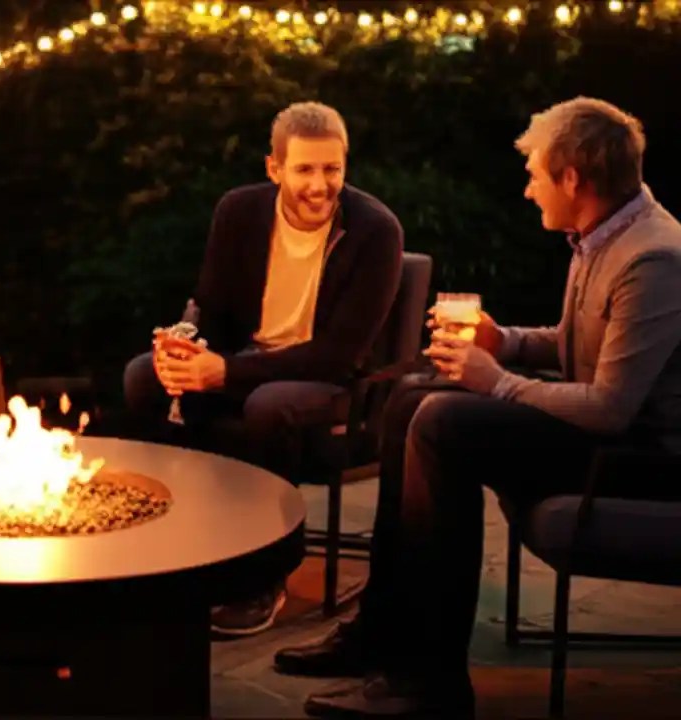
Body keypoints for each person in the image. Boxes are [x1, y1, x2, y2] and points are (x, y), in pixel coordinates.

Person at [279, 97, 681, 717]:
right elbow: (580, 343)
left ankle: (430, 683)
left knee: (445, 423)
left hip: (642, 458)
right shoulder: (604, 233)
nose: (527, 190)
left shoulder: (652, 257)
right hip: (607, 435)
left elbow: (610, 407)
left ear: (573, 179)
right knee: (410, 398)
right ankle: (380, 632)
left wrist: (497, 382)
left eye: (535, 175)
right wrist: (505, 341)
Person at [122, 102, 404, 636]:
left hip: (329, 384)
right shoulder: (239, 212)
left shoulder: (376, 231)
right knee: (144, 377)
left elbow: (341, 354)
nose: (320, 185)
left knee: (268, 405)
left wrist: (224, 374)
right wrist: (184, 346)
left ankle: (263, 577)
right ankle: (177, 545)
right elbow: (210, 309)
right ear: (274, 168)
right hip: (246, 364)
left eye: (332, 169)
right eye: (304, 169)